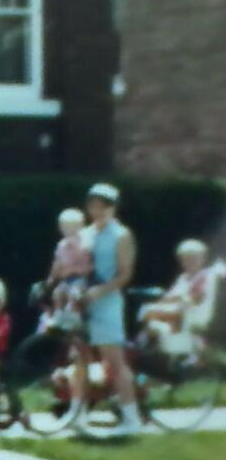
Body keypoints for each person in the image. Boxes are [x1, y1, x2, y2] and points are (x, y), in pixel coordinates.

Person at [73, 183, 141, 436]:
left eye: (104, 206)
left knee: (114, 361)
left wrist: (100, 291)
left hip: (108, 302)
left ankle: (131, 418)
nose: (98, 210)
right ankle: (77, 413)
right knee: (79, 358)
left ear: (113, 208)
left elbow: (125, 275)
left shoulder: (121, 235)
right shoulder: (86, 233)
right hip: (83, 302)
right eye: (94, 205)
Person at [140, 239, 223, 359]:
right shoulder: (183, 278)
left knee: (149, 312)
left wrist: (176, 299)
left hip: (196, 312)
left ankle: (187, 346)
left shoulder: (206, 275)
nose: (189, 262)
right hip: (181, 310)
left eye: (193, 258)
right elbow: (169, 297)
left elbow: (196, 298)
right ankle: (179, 346)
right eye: (185, 259)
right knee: (148, 313)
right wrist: (164, 303)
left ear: (202, 259)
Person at [43, 208, 93, 331]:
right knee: (57, 293)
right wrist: (51, 278)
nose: (69, 230)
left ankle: (74, 316)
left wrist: (73, 269)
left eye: (73, 227)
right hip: (65, 279)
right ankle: (59, 317)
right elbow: (57, 263)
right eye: (66, 227)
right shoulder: (61, 245)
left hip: (80, 278)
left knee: (74, 294)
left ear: (81, 227)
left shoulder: (85, 244)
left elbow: (89, 266)